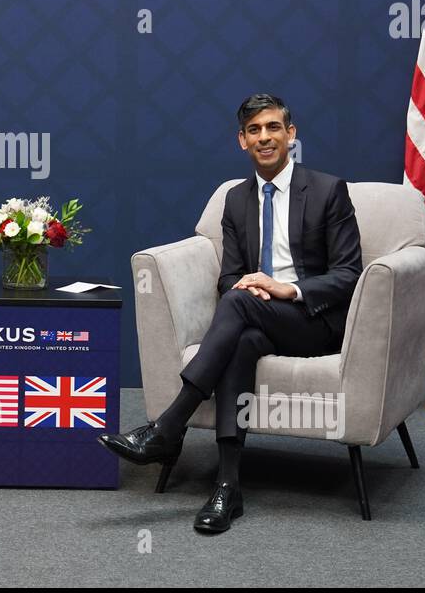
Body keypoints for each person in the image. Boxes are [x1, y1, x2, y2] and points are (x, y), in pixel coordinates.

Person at [100, 93, 362, 534]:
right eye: (255, 130)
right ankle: (227, 486)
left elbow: (349, 273)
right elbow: (229, 278)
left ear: (291, 134)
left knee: (240, 302)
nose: (265, 138)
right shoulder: (236, 199)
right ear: (242, 141)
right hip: (259, 318)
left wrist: (287, 288)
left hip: (314, 322)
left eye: (273, 128)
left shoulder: (327, 190)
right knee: (240, 338)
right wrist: (252, 290)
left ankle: (168, 426)